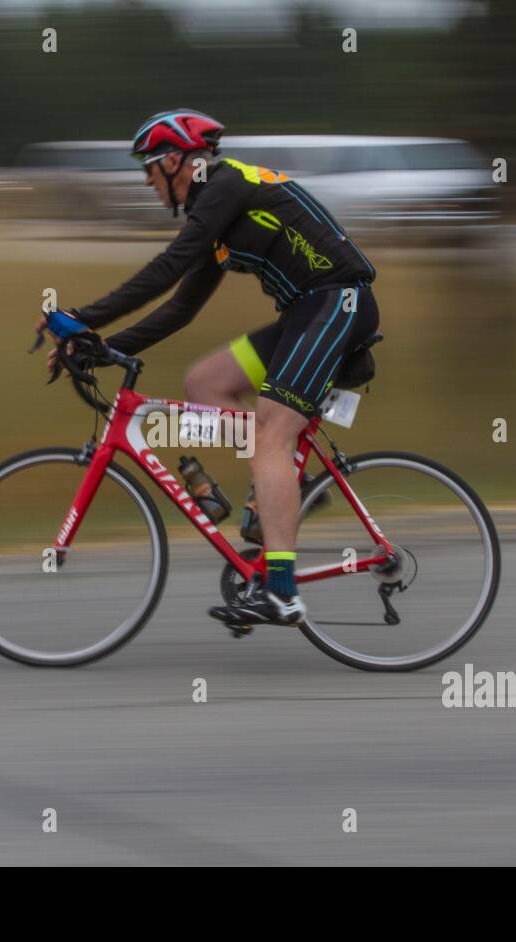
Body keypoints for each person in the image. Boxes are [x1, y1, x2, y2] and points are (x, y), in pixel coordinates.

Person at [37, 109, 380, 626]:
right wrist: (100, 345)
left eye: (149, 171)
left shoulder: (222, 185)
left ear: (175, 160)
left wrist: (81, 317)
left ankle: (281, 593)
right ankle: (286, 482)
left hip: (337, 302)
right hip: (305, 312)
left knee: (269, 432)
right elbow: (180, 307)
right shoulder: (215, 212)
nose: (149, 184)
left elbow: (168, 266)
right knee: (205, 382)